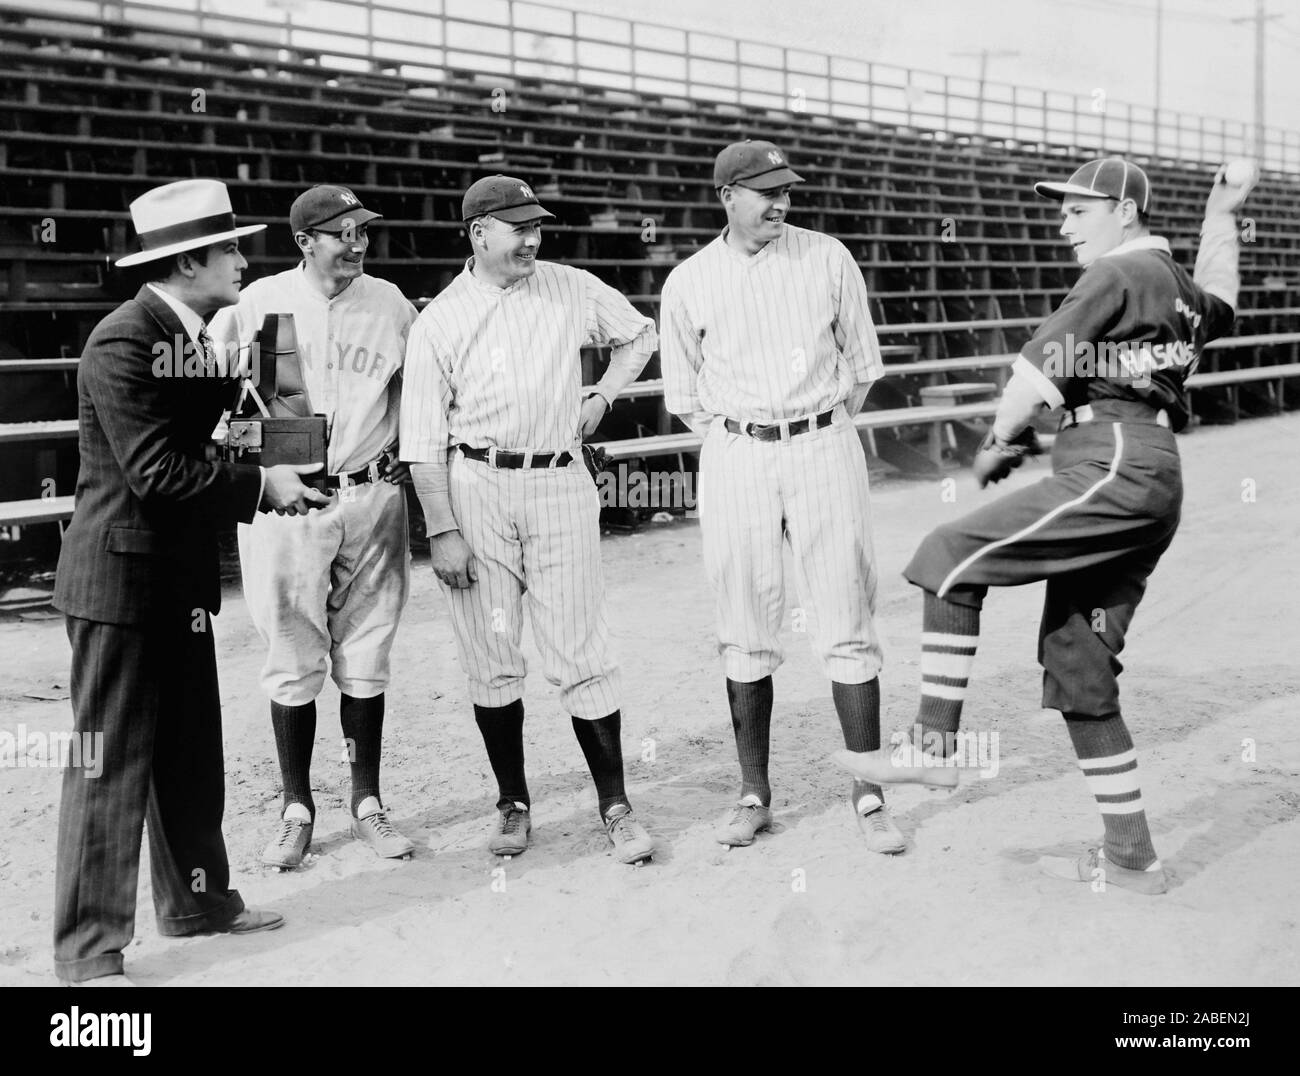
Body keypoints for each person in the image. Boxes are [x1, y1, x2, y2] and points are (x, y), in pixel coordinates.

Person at [835, 156, 1253, 894]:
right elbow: (1223, 291)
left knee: (948, 555)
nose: (1062, 224)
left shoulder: (1116, 275)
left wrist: (998, 444)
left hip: (1113, 459)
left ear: (1124, 212)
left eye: (1078, 210)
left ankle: (933, 746)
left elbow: (1029, 385)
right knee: (1078, 665)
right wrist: (1222, 213)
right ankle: (1132, 859)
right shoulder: (1176, 286)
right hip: (1148, 469)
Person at [52, 179, 329, 985]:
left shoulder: (192, 334)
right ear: (188, 261)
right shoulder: (123, 340)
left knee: (187, 752)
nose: (244, 261)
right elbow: (157, 470)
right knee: (108, 766)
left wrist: (310, 446)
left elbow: (229, 426)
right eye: (231, 249)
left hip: (174, 582)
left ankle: (198, 904)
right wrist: (263, 483)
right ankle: (87, 950)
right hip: (118, 584)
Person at [400, 175, 658, 865]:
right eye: (519, 228)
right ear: (479, 233)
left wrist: (603, 393)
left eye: (537, 226)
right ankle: (513, 801)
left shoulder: (570, 286)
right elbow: (421, 441)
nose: (533, 239)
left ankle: (615, 804)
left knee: (582, 648)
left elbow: (639, 334)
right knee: (492, 653)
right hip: (477, 484)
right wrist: (442, 529)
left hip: (558, 480)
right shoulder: (440, 319)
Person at [660, 139, 903, 854]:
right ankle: (752, 793)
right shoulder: (689, 280)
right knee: (744, 620)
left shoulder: (827, 257)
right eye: (765, 191)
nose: (781, 203)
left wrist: (812, 423)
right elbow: (685, 397)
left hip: (823, 441)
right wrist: (749, 431)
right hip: (737, 452)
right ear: (727, 196)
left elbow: (861, 369)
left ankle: (869, 793)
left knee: (847, 616)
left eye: (787, 190)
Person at [209, 185, 418, 869]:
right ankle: (296, 805)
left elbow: (422, 394)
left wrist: (404, 454)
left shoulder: (389, 304)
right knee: (292, 655)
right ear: (305, 241)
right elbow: (198, 404)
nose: (356, 242)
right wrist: (258, 454)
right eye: (341, 232)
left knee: (366, 651)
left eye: (362, 231)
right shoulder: (256, 303)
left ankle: (367, 801)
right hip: (287, 499)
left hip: (368, 494)